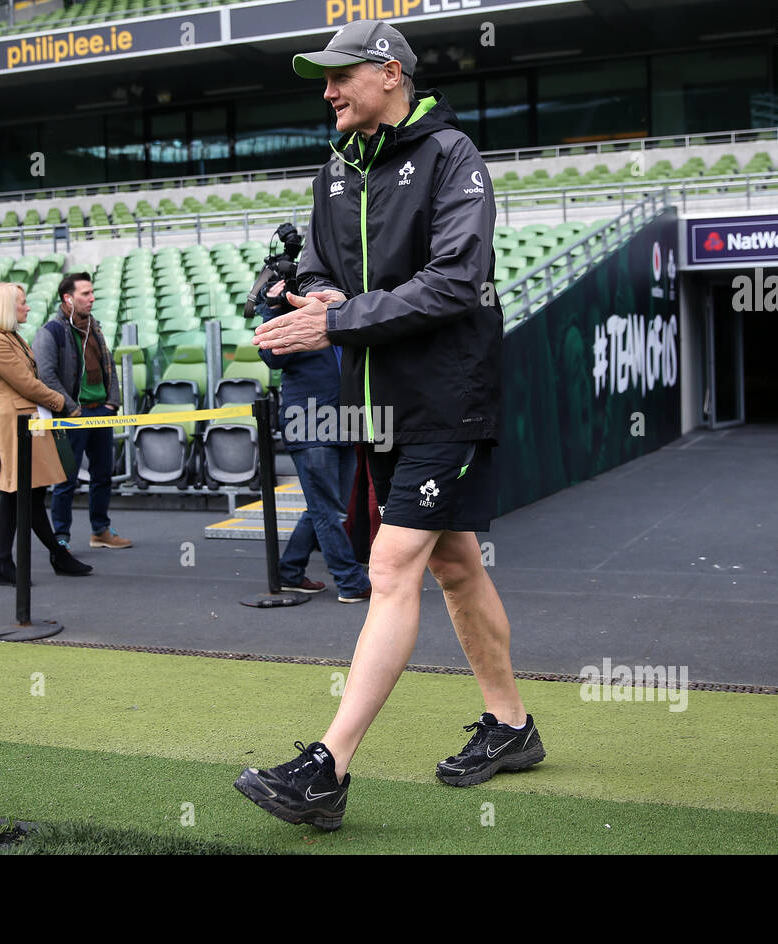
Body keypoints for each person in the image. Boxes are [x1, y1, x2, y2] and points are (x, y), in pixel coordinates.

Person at [234, 20, 542, 830]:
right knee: (456, 569)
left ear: (390, 76)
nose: (328, 92)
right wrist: (310, 296)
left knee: (393, 564)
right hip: (373, 403)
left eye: (341, 76)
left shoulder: (452, 156)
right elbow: (319, 270)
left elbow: (455, 283)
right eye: (324, 80)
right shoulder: (335, 168)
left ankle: (326, 770)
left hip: (449, 397)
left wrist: (335, 324)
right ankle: (512, 727)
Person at [257, 279, 371, 603]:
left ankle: (289, 571)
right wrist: (275, 307)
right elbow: (272, 355)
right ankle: (350, 582)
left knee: (326, 507)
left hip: (344, 420)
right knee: (327, 510)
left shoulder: (338, 302)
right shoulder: (286, 309)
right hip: (309, 422)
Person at [0, 282, 92, 583]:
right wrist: (60, 403)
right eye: (22, 303)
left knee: (30, 494)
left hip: (31, 421)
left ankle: (48, 555)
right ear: (5, 307)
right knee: (16, 494)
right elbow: (25, 384)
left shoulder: (12, 338)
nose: (27, 307)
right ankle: (15, 560)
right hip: (19, 424)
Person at [32, 271, 132, 552]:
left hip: (100, 411)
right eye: (85, 294)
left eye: (92, 292)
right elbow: (46, 377)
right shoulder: (50, 332)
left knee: (102, 475)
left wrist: (112, 402)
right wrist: (72, 409)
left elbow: (109, 367)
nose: (92, 298)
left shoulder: (94, 328)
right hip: (73, 416)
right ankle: (61, 538)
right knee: (66, 479)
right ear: (68, 298)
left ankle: (100, 531)